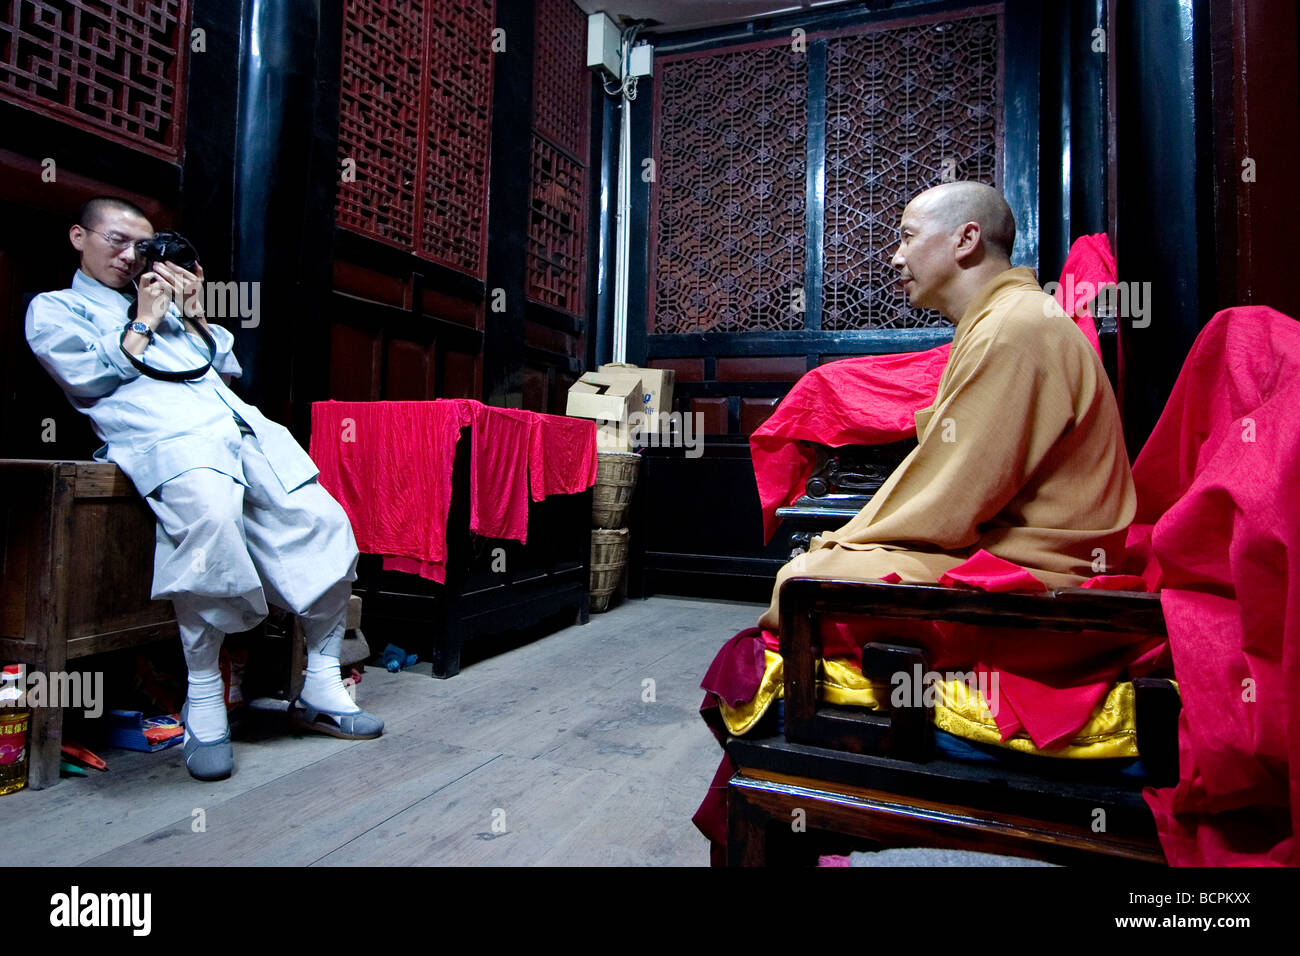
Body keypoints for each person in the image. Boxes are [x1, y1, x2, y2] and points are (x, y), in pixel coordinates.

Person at [25, 196, 384, 781]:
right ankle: (204, 698)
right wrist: (141, 320)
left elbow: (224, 365)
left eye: (139, 246)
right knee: (212, 527)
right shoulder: (56, 308)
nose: (128, 255)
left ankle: (320, 682)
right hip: (167, 443)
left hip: (239, 431)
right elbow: (85, 378)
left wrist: (190, 312)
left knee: (325, 523)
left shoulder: (164, 304)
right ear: (78, 237)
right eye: (114, 240)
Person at [756, 181, 1136, 632]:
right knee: (823, 561)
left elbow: (955, 494)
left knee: (803, 577)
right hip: (1006, 540)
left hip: (1043, 566)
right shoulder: (1002, 319)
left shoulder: (1013, 327)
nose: (896, 258)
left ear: (966, 239)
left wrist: (848, 541)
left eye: (908, 236)